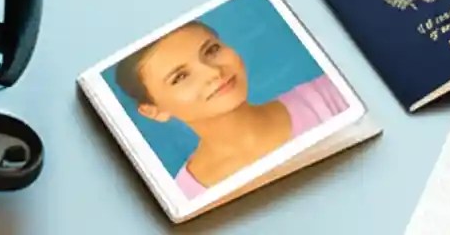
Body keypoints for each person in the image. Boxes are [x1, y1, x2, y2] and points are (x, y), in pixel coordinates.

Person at [114, 19, 348, 199]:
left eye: (211, 51)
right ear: (153, 110)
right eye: (180, 77)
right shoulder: (185, 198)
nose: (213, 72)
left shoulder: (333, 93)